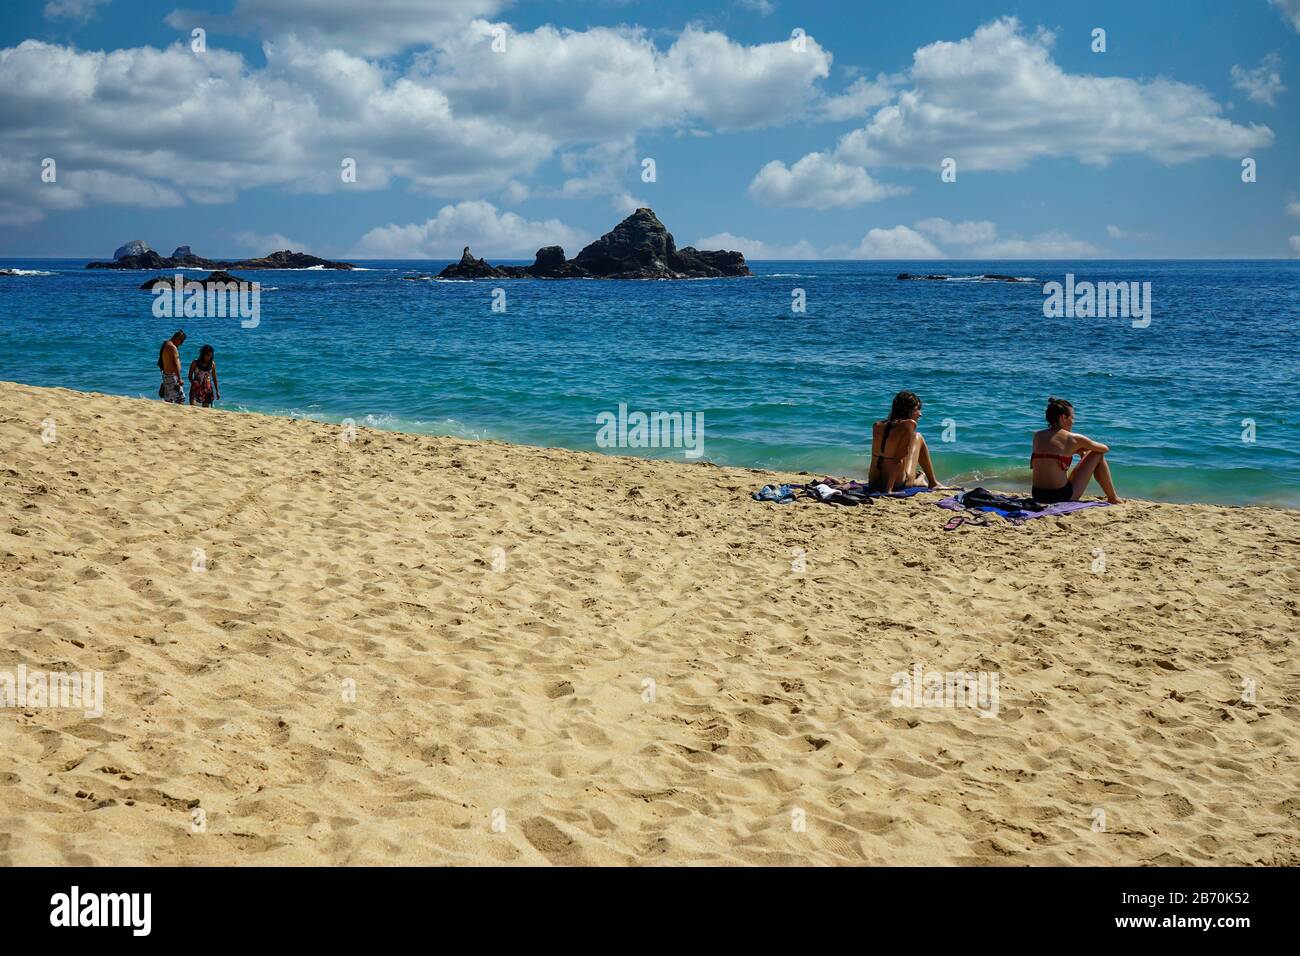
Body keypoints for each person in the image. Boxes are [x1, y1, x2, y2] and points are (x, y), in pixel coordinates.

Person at [1030, 397, 1122, 504]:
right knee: (1097, 454)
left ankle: (1113, 497)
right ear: (1064, 417)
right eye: (1072, 417)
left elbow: (1051, 454)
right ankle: (1113, 497)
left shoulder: (1037, 436)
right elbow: (1104, 448)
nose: (1073, 422)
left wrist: (1076, 450)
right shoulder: (1072, 438)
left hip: (1037, 494)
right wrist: (1081, 447)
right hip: (1060, 496)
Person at [868, 390, 940, 492]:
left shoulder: (877, 425)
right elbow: (898, 459)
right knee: (918, 437)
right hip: (897, 484)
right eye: (917, 409)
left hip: (873, 482)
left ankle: (920, 478)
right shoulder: (909, 424)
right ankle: (932, 482)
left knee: (912, 438)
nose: (920, 414)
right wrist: (889, 489)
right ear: (907, 410)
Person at [157, 330, 186, 404]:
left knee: (169, 399)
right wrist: (179, 378)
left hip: (166, 375)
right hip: (172, 377)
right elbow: (175, 364)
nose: (181, 343)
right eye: (181, 341)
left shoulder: (166, 344)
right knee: (180, 398)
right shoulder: (172, 347)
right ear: (177, 338)